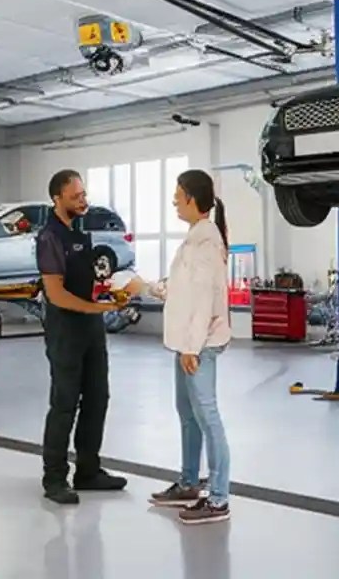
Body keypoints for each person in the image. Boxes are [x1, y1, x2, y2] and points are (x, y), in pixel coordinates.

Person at [127, 169, 233, 525]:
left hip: (198, 345)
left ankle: (218, 498)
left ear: (191, 198)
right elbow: (183, 290)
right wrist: (145, 287)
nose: (173, 200)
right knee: (187, 414)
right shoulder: (193, 238)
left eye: (177, 195)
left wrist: (191, 348)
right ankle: (189, 483)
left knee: (207, 416)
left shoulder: (206, 241)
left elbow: (204, 299)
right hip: (186, 343)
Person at [36, 169, 128, 505]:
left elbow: (86, 283)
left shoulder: (79, 233)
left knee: (97, 398)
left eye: (83, 194)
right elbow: (57, 295)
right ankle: (54, 478)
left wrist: (110, 294)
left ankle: (88, 471)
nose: (83, 201)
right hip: (65, 330)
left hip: (90, 328)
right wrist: (94, 308)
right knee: (64, 404)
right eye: (76, 197)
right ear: (57, 199)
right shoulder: (50, 238)